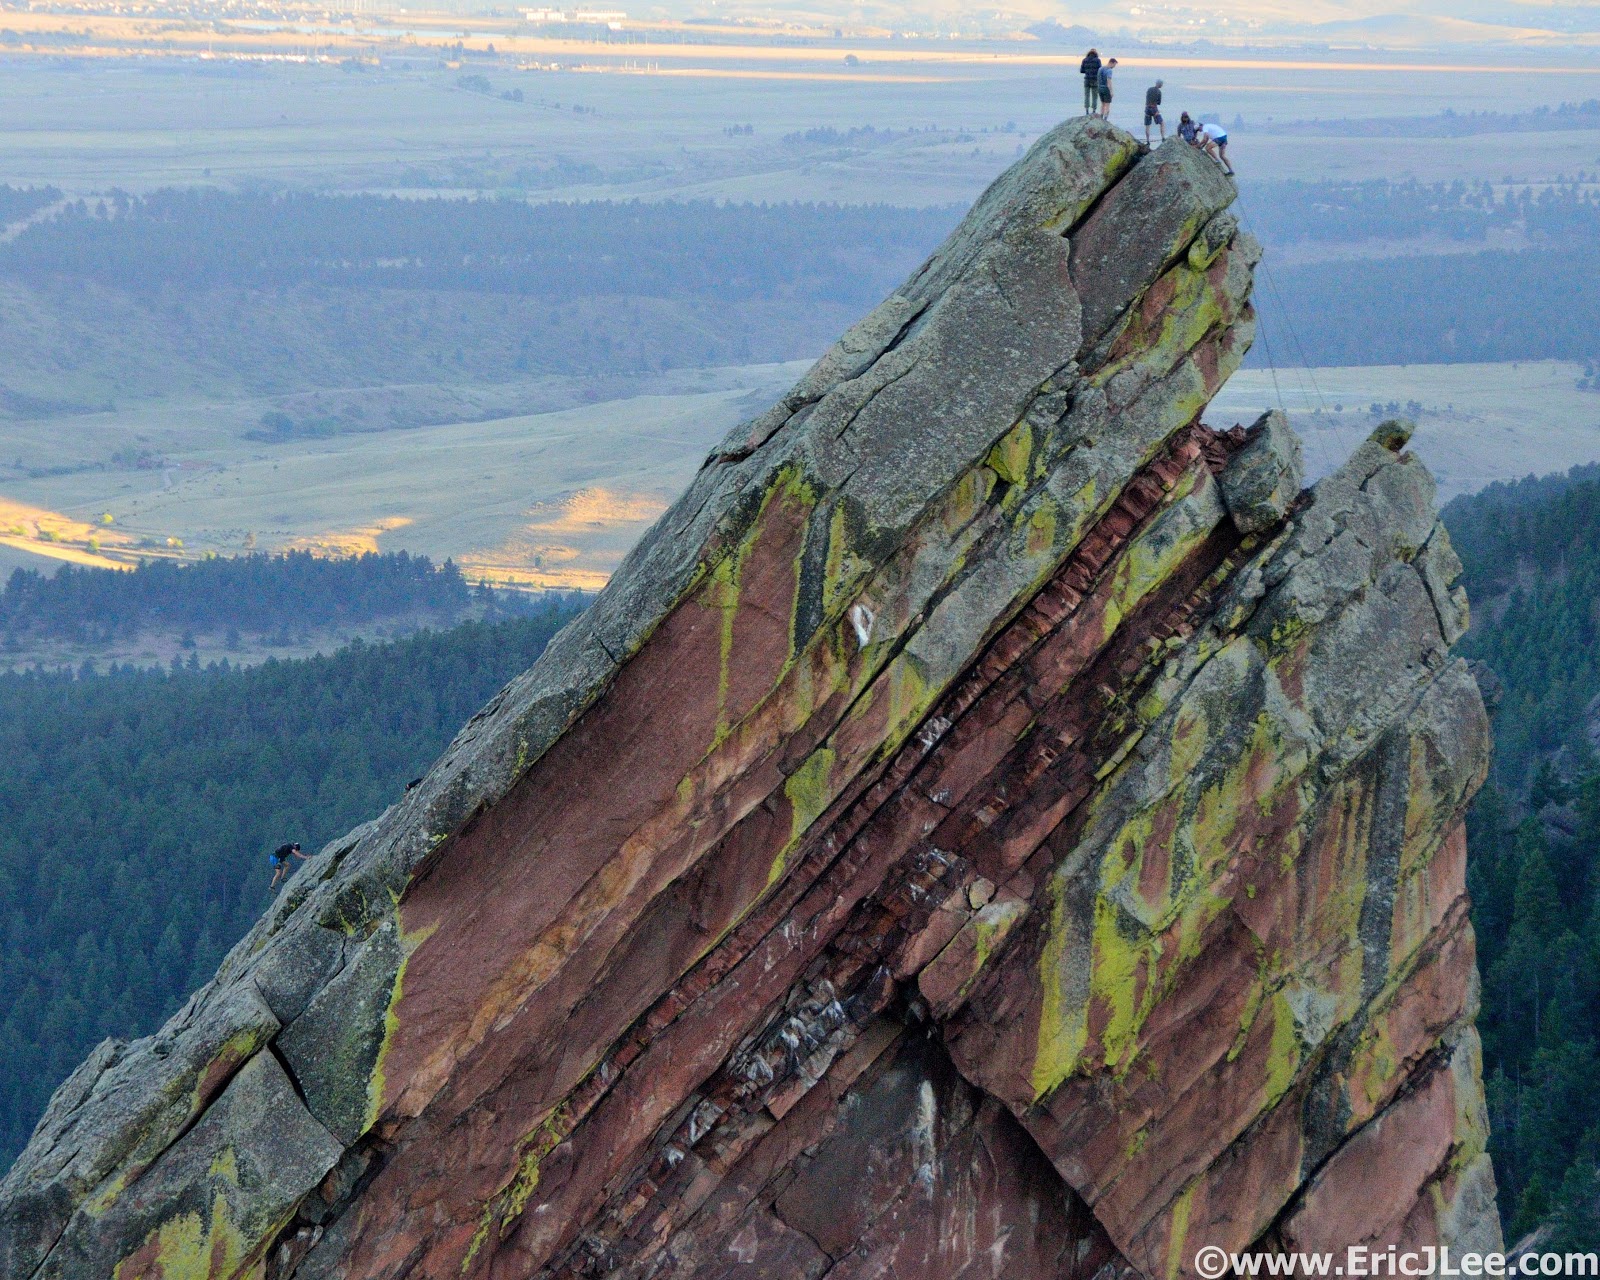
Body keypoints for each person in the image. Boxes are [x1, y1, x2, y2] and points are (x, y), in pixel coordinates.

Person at [1079, 48, 1101, 115]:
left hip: (1087, 79)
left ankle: (1087, 110)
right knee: (1094, 96)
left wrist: (1087, 70)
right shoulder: (1098, 60)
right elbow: (1099, 70)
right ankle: (1094, 110)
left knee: (1087, 95)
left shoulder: (1084, 60)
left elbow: (1081, 71)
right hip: (1095, 80)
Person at [1144, 79, 1165, 144]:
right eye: (1161, 84)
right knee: (1162, 123)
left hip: (1147, 108)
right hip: (1154, 109)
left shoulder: (1149, 89)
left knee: (1147, 125)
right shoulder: (1159, 92)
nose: (1162, 85)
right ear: (1160, 84)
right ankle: (1163, 138)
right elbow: (1159, 102)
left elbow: (1147, 96)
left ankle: (1148, 141)